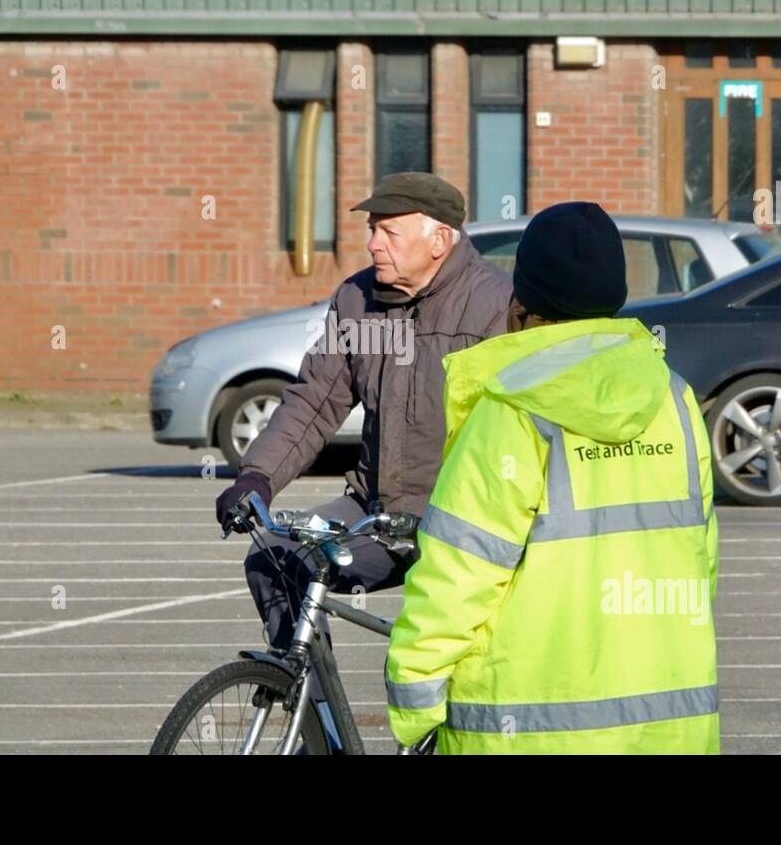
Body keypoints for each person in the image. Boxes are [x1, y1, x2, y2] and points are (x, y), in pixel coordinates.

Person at [385, 201, 720, 754]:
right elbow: (699, 559)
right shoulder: (675, 399)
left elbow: (461, 569)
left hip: (531, 726)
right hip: (669, 721)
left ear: (522, 303)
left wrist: (413, 693)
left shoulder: (512, 408)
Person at [215, 171, 511, 654]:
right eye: (371, 230)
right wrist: (257, 478)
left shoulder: (496, 306)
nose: (373, 244)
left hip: (462, 519)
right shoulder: (358, 300)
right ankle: (313, 712)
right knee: (277, 560)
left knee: (449, 657)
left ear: (439, 240)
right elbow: (315, 398)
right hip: (374, 513)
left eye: (388, 232)